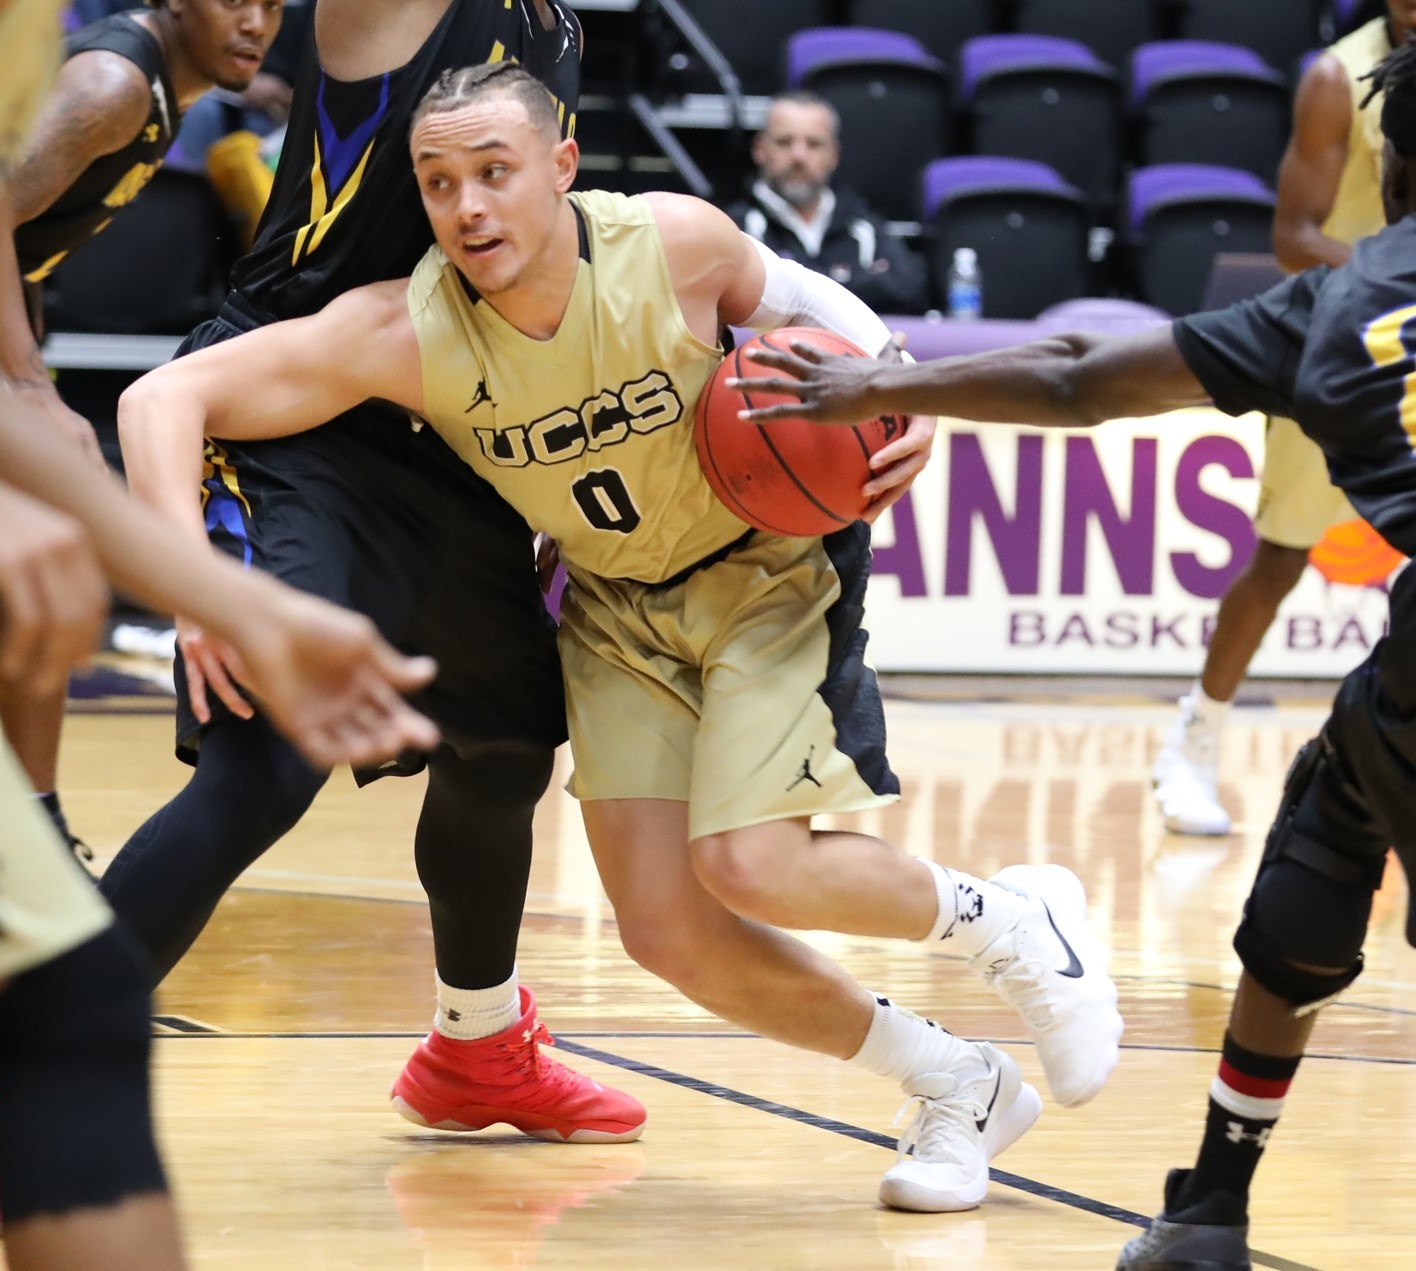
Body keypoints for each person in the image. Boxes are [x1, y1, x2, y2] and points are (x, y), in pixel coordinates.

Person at [117, 61, 1127, 1214]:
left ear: (562, 165)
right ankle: (958, 1082)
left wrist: (899, 391)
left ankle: (1012, 922)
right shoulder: (403, 327)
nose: (468, 208)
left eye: (495, 173)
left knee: (752, 859)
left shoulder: (672, 245)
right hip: (611, 605)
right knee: (665, 932)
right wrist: (193, 589)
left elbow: (799, 296)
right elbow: (161, 401)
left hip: (764, 571)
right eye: (438, 182)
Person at [0, 0, 648, 1238]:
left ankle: (475, 1045)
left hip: (438, 424)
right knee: (264, 762)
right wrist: (191, 574)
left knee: (511, 738)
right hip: (284, 414)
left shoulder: (557, 30)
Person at [728, 40, 1416, 1267]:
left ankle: (1208, 1214)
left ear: (1396, 172)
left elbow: (1081, 378)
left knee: (1316, 854)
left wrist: (887, 385)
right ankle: (1208, 1205)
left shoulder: (1341, 305)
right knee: (1330, 811)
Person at [0, 0, 437, 1266]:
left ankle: (33, 805)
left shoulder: (22, 47)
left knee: (76, 997)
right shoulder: (82, 71)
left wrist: (247, 603)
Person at [0, 0, 286, 856]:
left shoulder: (152, 92)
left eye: (272, 4)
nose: (255, 21)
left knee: (6, 553)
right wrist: (27, 386)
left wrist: (22, 361)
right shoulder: (112, 86)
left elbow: (6, 237)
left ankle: (27, 820)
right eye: (234, 0)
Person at [1151, 0, 1409, 836]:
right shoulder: (1338, 77)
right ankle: (1195, 738)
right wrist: (1394, 279)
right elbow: (1295, 239)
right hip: (1341, 332)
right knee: (1280, 561)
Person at [726, 91, 930, 316]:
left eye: (813, 144)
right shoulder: (732, 228)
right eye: (784, 142)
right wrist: (853, 280)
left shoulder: (863, 227)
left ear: (833, 155)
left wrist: (787, 291)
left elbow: (909, 290)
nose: (799, 156)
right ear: (759, 149)